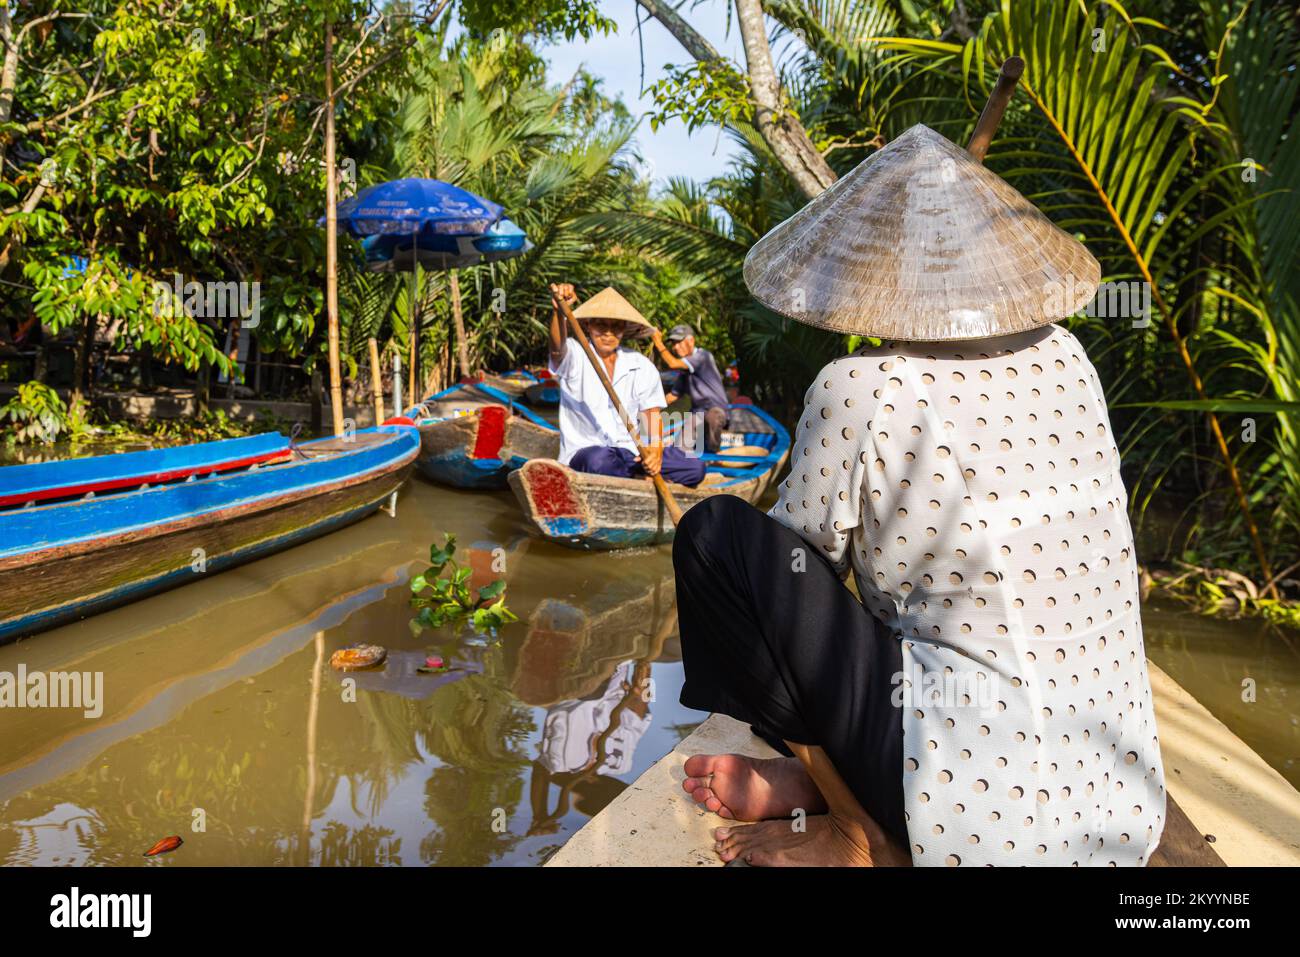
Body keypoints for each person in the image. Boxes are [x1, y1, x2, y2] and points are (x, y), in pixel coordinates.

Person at [671, 123, 1166, 867]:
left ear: (868, 276)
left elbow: (788, 575)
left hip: (977, 813)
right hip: (1118, 805)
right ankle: (822, 781)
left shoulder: (862, 386)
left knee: (717, 541)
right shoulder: (1072, 356)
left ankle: (851, 826)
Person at [548, 284, 705, 488]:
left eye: (615, 326)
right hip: (588, 455)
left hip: (631, 454)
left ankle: (634, 476)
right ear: (588, 325)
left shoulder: (640, 364)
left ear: (624, 329)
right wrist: (559, 313)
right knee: (598, 461)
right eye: (601, 325)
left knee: (694, 467)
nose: (608, 333)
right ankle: (636, 479)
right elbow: (556, 349)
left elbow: (652, 415)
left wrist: (655, 452)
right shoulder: (576, 355)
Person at [650, 323, 729, 453]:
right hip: (698, 412)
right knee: (681, 448)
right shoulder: (684, 372)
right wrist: (650, 409)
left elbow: (673, 363)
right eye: (674, 344)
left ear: (691, 340)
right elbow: (672, 397)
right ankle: (686, 461)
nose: (676, 347)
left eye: (679, 342)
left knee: (712, 417)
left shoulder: (703, 356)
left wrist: (658, 343)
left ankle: (715, 453)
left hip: (716, 410)